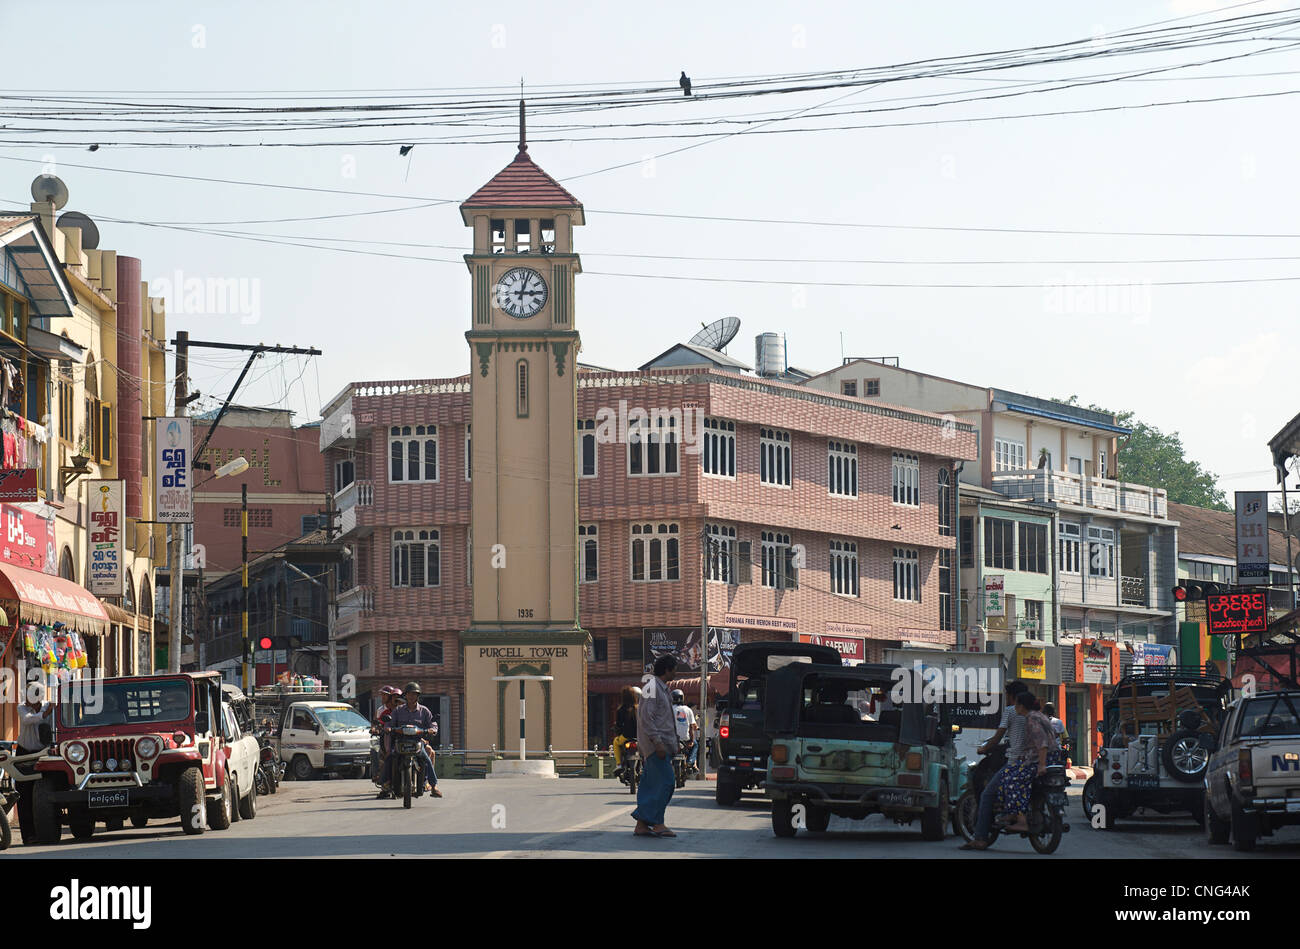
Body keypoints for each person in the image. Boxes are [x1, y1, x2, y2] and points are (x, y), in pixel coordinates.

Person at [959, 680, 1026, 851]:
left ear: (1012, 697)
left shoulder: (1011, 711)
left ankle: (980, 838)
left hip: (1016, 760)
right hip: (1034, 761)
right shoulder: (1034, 713)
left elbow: (997, 738)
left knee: (988, 793)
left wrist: (985, 748)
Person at [632, 655, 679, 839]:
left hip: (662, 745)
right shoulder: (652, 687)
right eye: (674, 668)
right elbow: (646, 718)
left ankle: (642, 824)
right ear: (667, 669)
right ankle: (658, 823)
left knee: (652, 785)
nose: (676, 672)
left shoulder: (662, 688)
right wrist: (658, 743)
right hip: (655, 747)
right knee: (667, 783)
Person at [996, 693, 1054, 834]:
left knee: (1010, 777)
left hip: (1042, 759)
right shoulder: (1039, 715)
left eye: (1016, 704)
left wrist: (1041, 764)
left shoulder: (1031, 719)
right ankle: (1013, 812)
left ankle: (1020, 820)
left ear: (1021, 706)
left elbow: (1042, 743)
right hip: (1047, 758)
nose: (1014, 707)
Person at [383, 682, 442, 799]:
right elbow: (389, 723)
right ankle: (386, 784)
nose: (411, 697)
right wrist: (388, 728)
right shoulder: (398, 710)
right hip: (400, 741)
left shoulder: (424, 711)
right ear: (405, 695)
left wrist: (432, 729)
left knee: (427, 759)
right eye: (409, 694)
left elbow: (432, 724)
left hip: (417, 742)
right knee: (390, 758)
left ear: (418, 696)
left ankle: (433, 786)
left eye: (414, 694)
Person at [15, 683, 52, 844]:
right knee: (24, 796)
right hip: (24, 754)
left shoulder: (50, 708)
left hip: (43, 754)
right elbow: (27, 720)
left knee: (44, 793)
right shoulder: (21, 708)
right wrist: (45, 714)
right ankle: (28, 836)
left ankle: (45, 832)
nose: (26, 698)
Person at [372, 686, 402, 799]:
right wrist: (376, 728)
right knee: (383, 755)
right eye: (394, 698)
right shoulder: (383, 710)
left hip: (403, 738)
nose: (396, 701)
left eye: (398, 698)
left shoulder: (404, 710)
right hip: (388, 736)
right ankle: (383, 782)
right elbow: (377, 723)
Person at [612, 686, 640, 775]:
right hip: (639, 737)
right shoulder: (639, 708)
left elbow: (619, 724)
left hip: (626, 736)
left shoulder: (621, 709)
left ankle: (619, 764)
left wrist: (617, 729)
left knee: (615, 743)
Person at [671, 690, 698, 773]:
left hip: (671, 739)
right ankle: (690, 761)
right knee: (695, 744)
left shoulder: (668, 709)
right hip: (684, 739)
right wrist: (692, 741)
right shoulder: (687, 710)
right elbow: (691, 727)